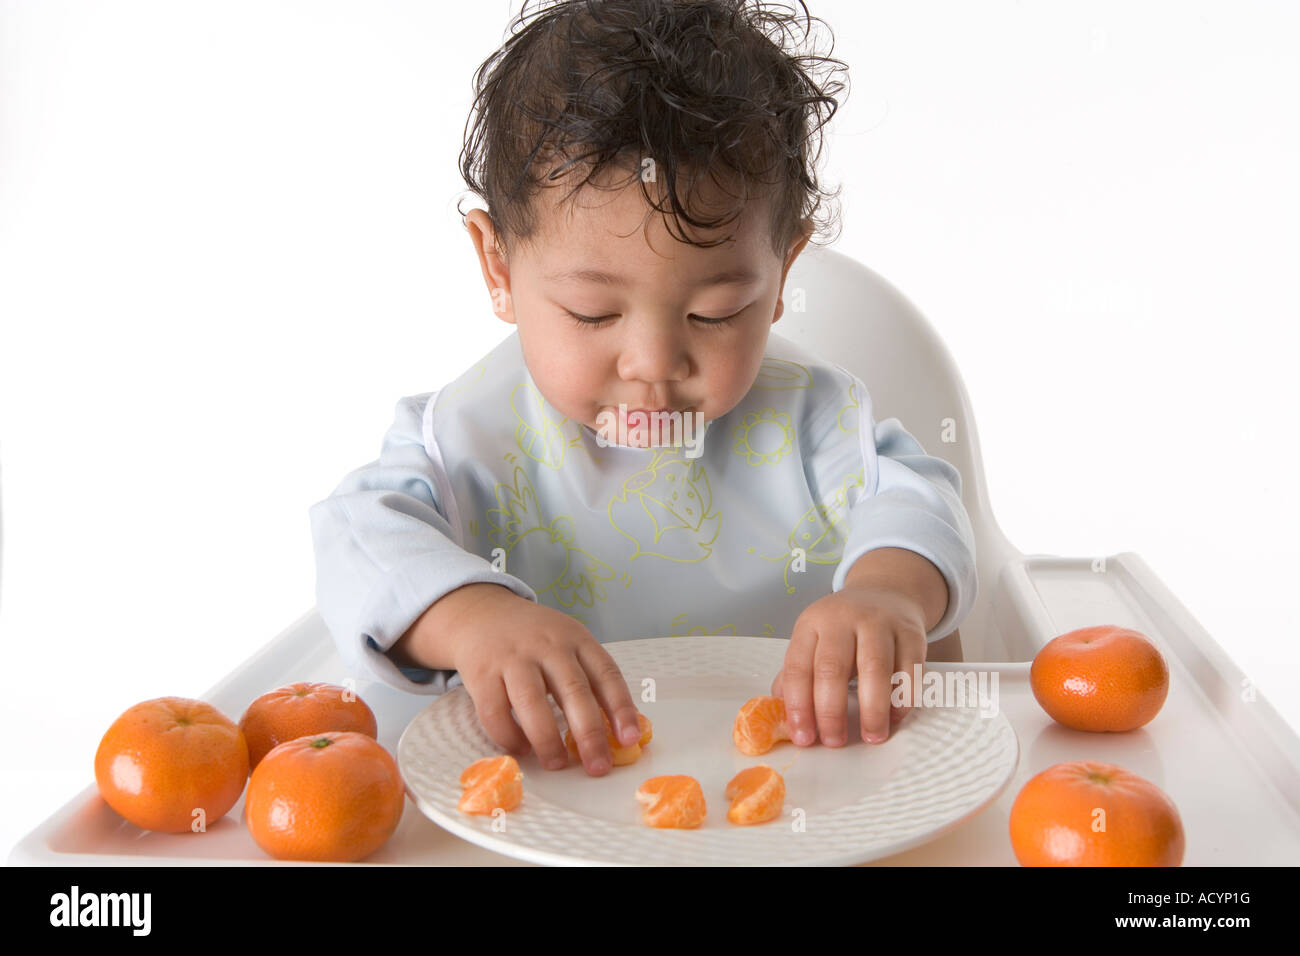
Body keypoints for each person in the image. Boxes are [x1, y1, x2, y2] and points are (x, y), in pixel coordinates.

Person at [310, 0, 976, 777]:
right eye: (593, 313)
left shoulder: (811, 425)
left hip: (794, 794)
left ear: (782, 274)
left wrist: (889, 593)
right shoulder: (469, 444)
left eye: (714, 313)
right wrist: (469, 618)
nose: (654, 363)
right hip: (543, 807)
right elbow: (355, 539)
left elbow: (918, 500)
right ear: (498, 268)